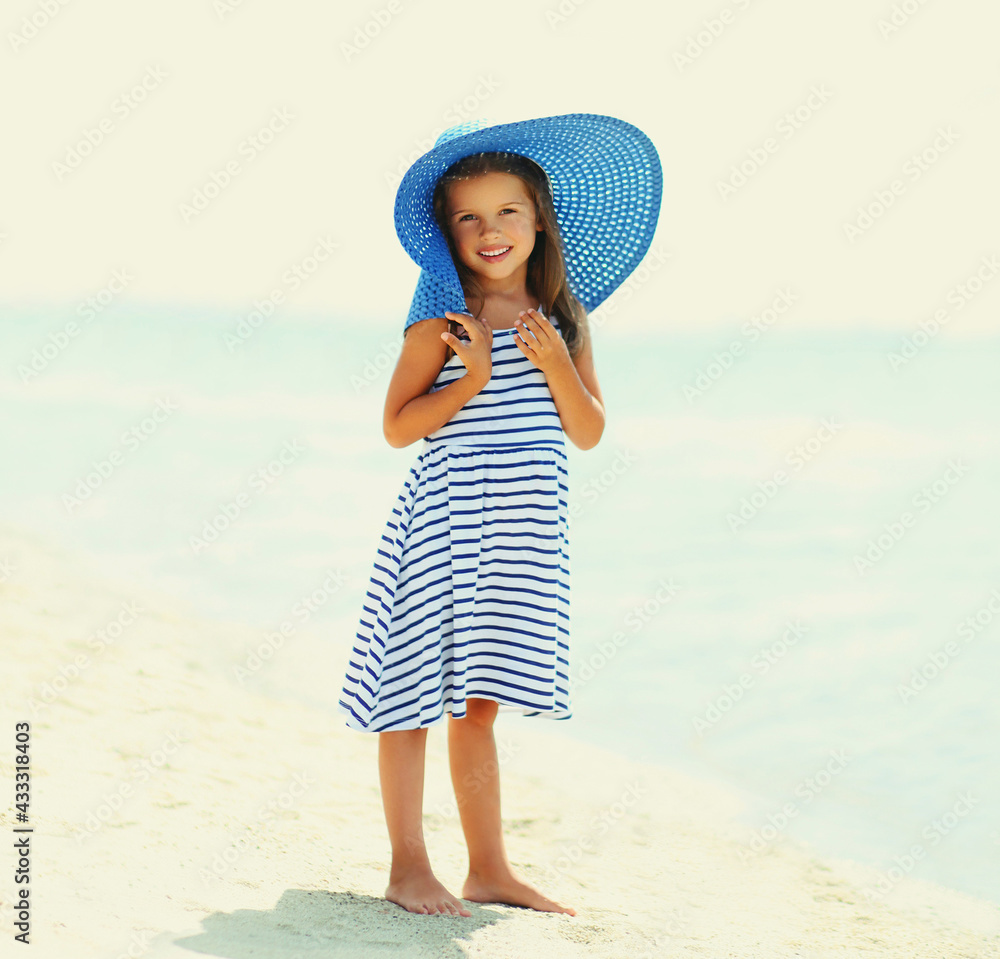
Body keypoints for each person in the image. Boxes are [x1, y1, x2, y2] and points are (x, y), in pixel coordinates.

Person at [337, 114, 662, 918]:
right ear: (446, 230)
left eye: (507, 211)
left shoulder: (564, 317)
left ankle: (488, 868)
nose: (491, 231)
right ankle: (408, 865)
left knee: (480, 702)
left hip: (524, 533)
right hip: (445, 525)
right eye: (468, 217)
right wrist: (472, 377)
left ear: (539, 218)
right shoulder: (443, 319)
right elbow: (398, 427)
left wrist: (555, 364)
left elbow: (588, 431)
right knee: (410, 694)